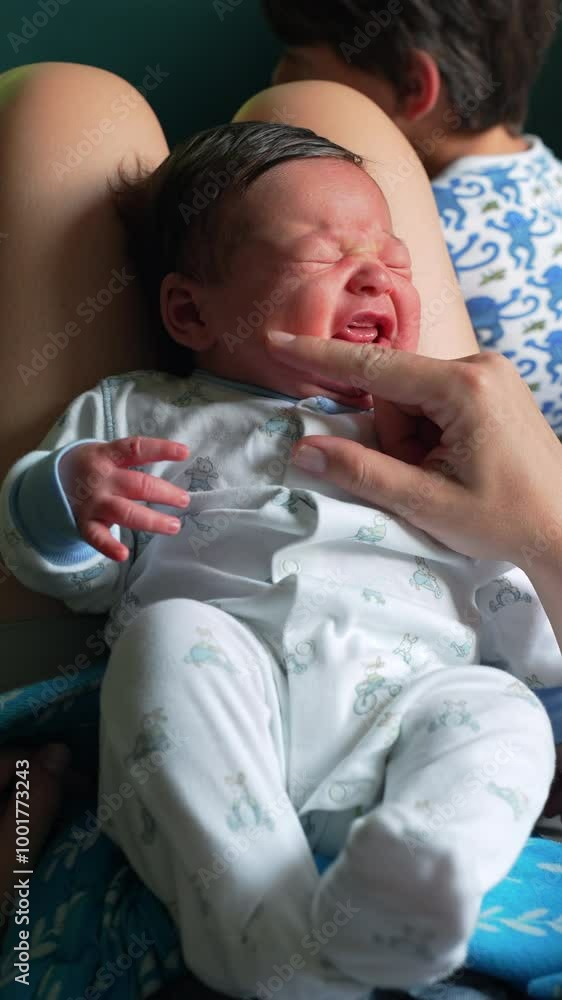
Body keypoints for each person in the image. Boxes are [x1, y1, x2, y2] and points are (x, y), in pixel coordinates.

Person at [0, 120, 559, 1000]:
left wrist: (526, 623)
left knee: (501, 713)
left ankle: (419, 875)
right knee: (167, 640)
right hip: (230, 718)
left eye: (395, 259)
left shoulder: (435, 433)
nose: (376, 275)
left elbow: (521, 621)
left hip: (410, 714)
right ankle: (263, 938)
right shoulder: (142, 412)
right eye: (325, 254)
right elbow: (63, 572)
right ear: (192, 314)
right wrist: (66, 493)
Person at [260, 0, 562, 434]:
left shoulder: (417, 234)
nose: (278, 76)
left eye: (299, 62)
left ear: (413, 87)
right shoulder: (547, 173)